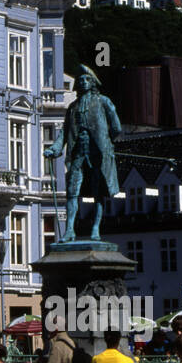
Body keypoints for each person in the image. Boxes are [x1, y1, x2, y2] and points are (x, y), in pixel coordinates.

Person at [42, 64, 122, 242]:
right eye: (81, 80)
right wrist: (54, 149)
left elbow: (116, 127)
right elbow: (65, 131)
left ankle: (95, 229)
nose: (83, 82)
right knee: (72, 191)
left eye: (87, 79)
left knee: (97, 191)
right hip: (78, 153)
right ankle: (69, 229)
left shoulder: (103, 101)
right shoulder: (73, 107)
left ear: (93, 83)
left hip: (97, 154)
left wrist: (108, 143)